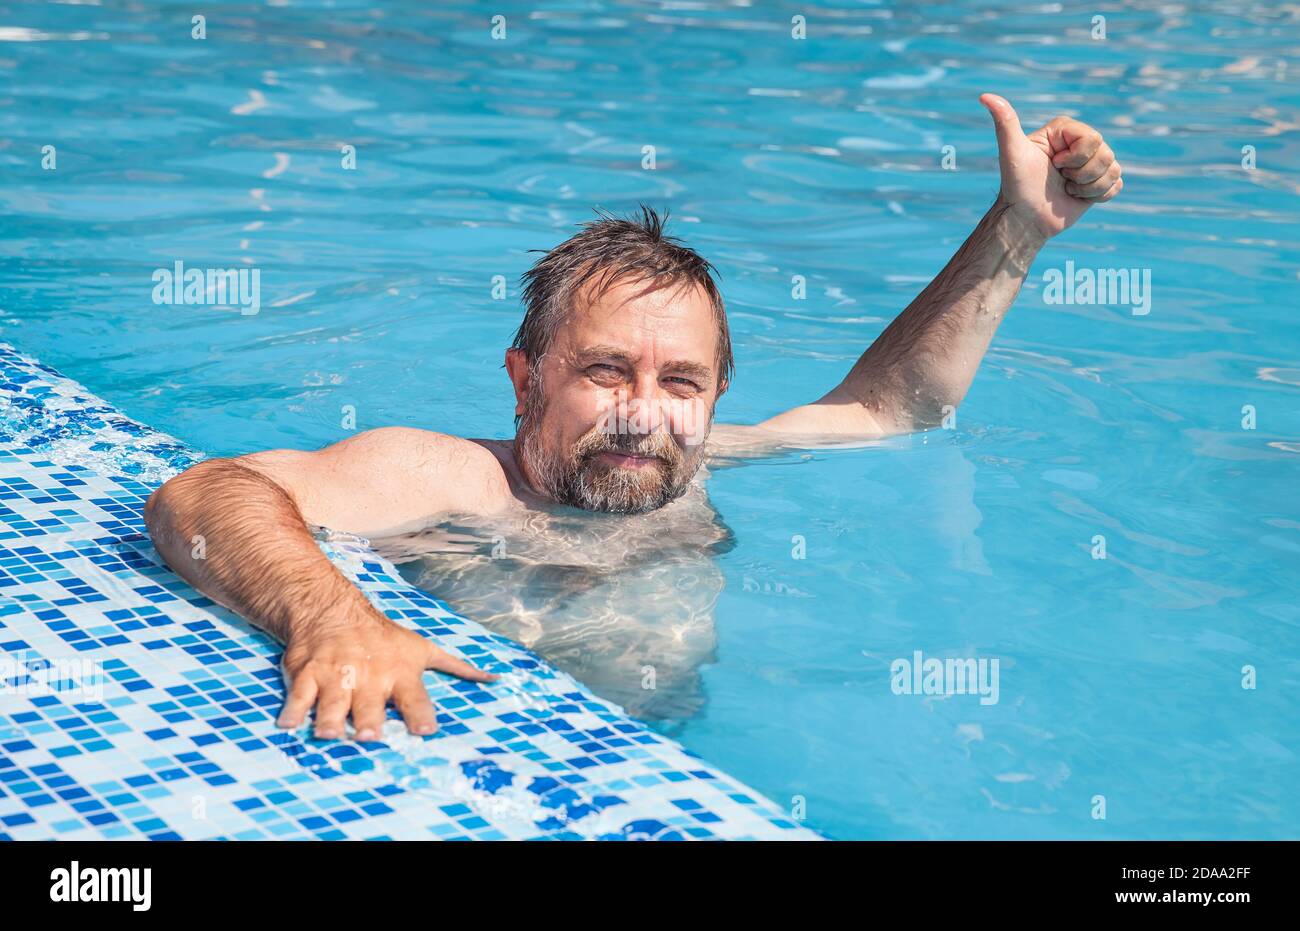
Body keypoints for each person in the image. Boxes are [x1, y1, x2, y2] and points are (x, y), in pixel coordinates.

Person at [144, 94, 1123, 737]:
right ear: (525, 383)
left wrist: (1015, 233)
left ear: (713, 400)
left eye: (680, 384)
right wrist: (333, 619)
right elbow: (202, 492)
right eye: (606, 372)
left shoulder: (697, 464)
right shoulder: (449, 478)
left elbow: (890, 407)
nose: (642, 417)